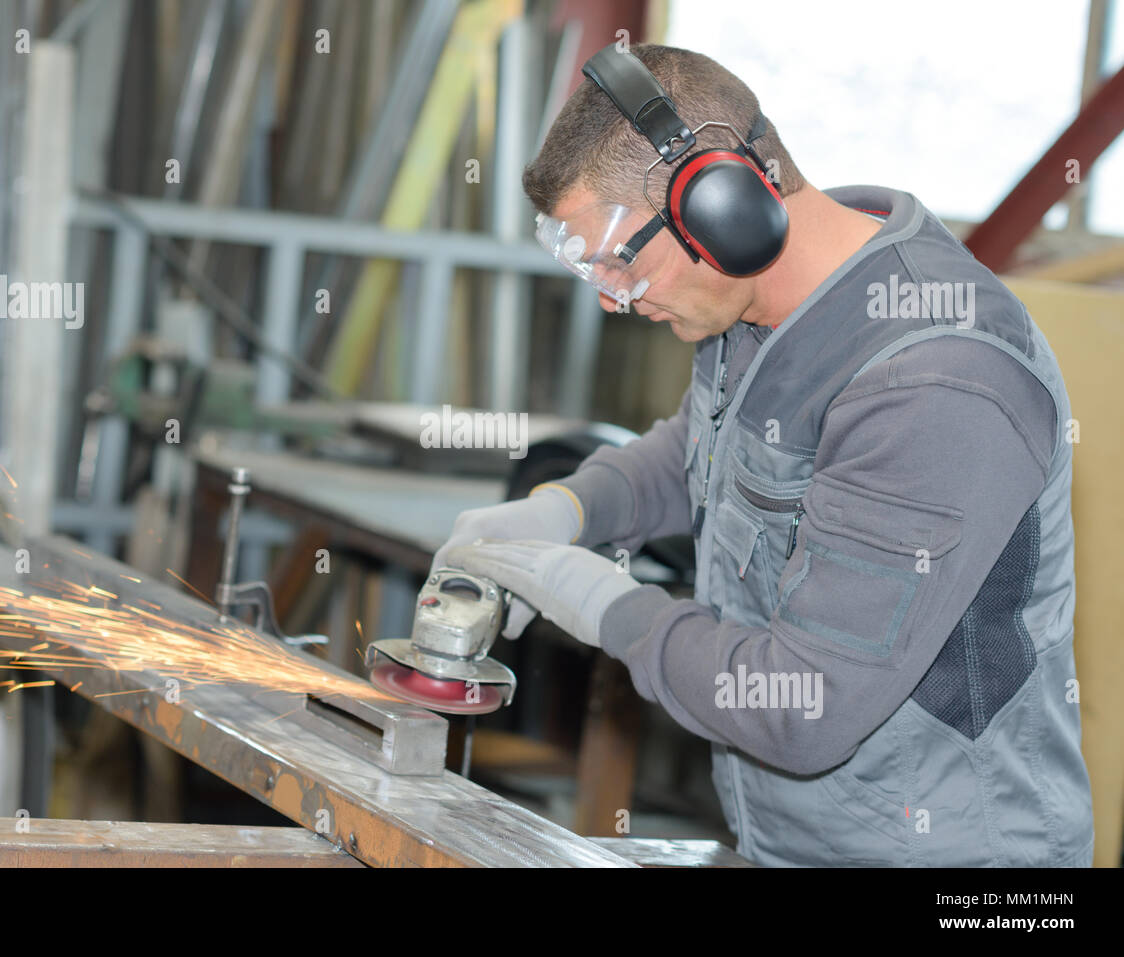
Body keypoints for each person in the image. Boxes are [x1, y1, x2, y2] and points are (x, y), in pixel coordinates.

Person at [438, 42, 1093, 867]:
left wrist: (609, 606)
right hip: (786, 840)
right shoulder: (760, 308)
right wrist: (570, 507)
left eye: (620, 259)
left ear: (722, 206)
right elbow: (698, 447)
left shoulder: (939, 380)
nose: (610, 297)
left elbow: (803, 705)